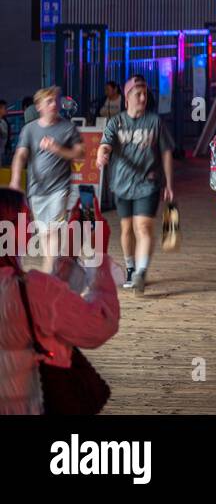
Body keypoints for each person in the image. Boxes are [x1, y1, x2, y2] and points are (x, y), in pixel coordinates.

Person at [0, 188, 120, 415]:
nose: (32, 229)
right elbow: (101, 323)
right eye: (26, 221)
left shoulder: (29, 290)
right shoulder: (31, 289)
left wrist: (70, 251)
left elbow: (45, 307)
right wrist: (99, 258)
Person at [95, 76, 175, 295]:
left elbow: (166, 152)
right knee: (127, 228)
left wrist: (168, 182)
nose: (142, 98)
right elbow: (105, 144)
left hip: (148, 183)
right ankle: (130, 266)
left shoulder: (155, 122)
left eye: (145, 94)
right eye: (138, 94)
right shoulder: (116, 122)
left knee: (143, 227)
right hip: (122, 183)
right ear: (127, 98)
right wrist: (101, 155)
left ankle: (141, 271)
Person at [11, 87, 82, 270]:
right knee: (44, 233)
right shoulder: (29, 130)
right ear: (39, 106)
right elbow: (20, 155)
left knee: (53, 230)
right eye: (48, 101)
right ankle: (54, 265)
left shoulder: (67, 127)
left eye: (55, 100)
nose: (54, 104)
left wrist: (58, 149)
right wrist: (16, 179)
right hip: (36, 190)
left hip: (60, 189)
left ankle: (49, 272)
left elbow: (80, 152)